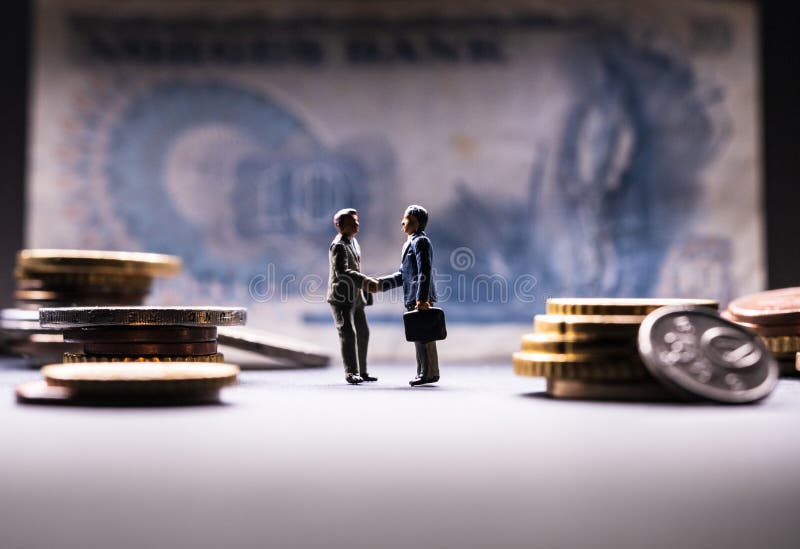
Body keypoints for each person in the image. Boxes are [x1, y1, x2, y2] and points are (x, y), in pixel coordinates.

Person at [374, 205, 440, 386]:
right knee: (420, 336)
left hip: (421, 299)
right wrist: (381, 285)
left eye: (408, 219)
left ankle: (427, 373)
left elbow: (424, 271)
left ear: (418, 223)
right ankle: (427, 372)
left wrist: (423, 298)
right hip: (415, 298)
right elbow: (403, 275)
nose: (403, 222)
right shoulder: (408, 244)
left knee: (424, 337)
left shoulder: (421, 242)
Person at [326, 208, 379, 385]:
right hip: (341, 297)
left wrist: (365, 291)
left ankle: (362, 371)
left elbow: (357, 269)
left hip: (356, 297)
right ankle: (351, 372)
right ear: (341, 226)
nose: (357, 225)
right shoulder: (338, 246)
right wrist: (365, 281)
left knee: (363, 332)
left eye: (357, 221)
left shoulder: (354, 243)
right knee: (348, 334)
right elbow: (342, 272)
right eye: (352, 223)